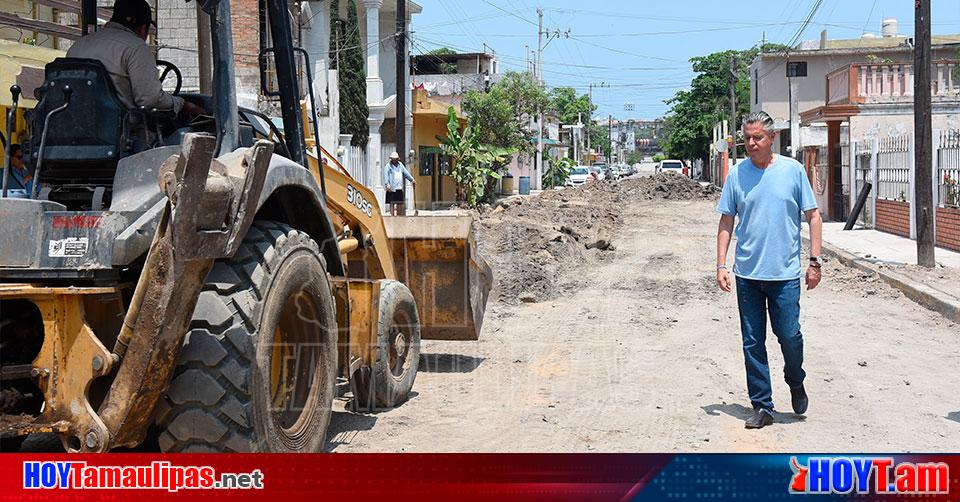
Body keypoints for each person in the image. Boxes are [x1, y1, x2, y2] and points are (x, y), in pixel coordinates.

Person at [715, 110, 823, 430]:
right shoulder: (736, 175)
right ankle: (762, 405)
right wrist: (721, 264)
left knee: (789, 335)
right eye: (747, 138)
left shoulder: (793, 171)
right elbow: (726, 221)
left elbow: (813, 216)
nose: (751, 143)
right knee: (752, 341)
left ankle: (795, 378)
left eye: (757, 138)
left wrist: (814, 261)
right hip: (747, 274)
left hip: (785, 275)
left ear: (772, 138)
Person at [66, 0, 204, 119]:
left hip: (76, 126)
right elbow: (150, 100)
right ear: (143, 27)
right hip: (120, 133)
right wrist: (183, 105)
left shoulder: (78, 45)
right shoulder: (136, 48)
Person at [383, 151, 415, 216]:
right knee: (391, 203)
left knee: (399, 203)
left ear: (397, 159)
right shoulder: (388, 166)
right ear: (391, 159)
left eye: (396, 159)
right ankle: (392, 216)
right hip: (391, 188)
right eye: (393, 159)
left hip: (399, 187)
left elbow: (406, 173)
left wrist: (412, 179)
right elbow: (386, 175)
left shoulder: (400, 165)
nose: (394, 160)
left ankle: (398, 216)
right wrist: (387, 184)